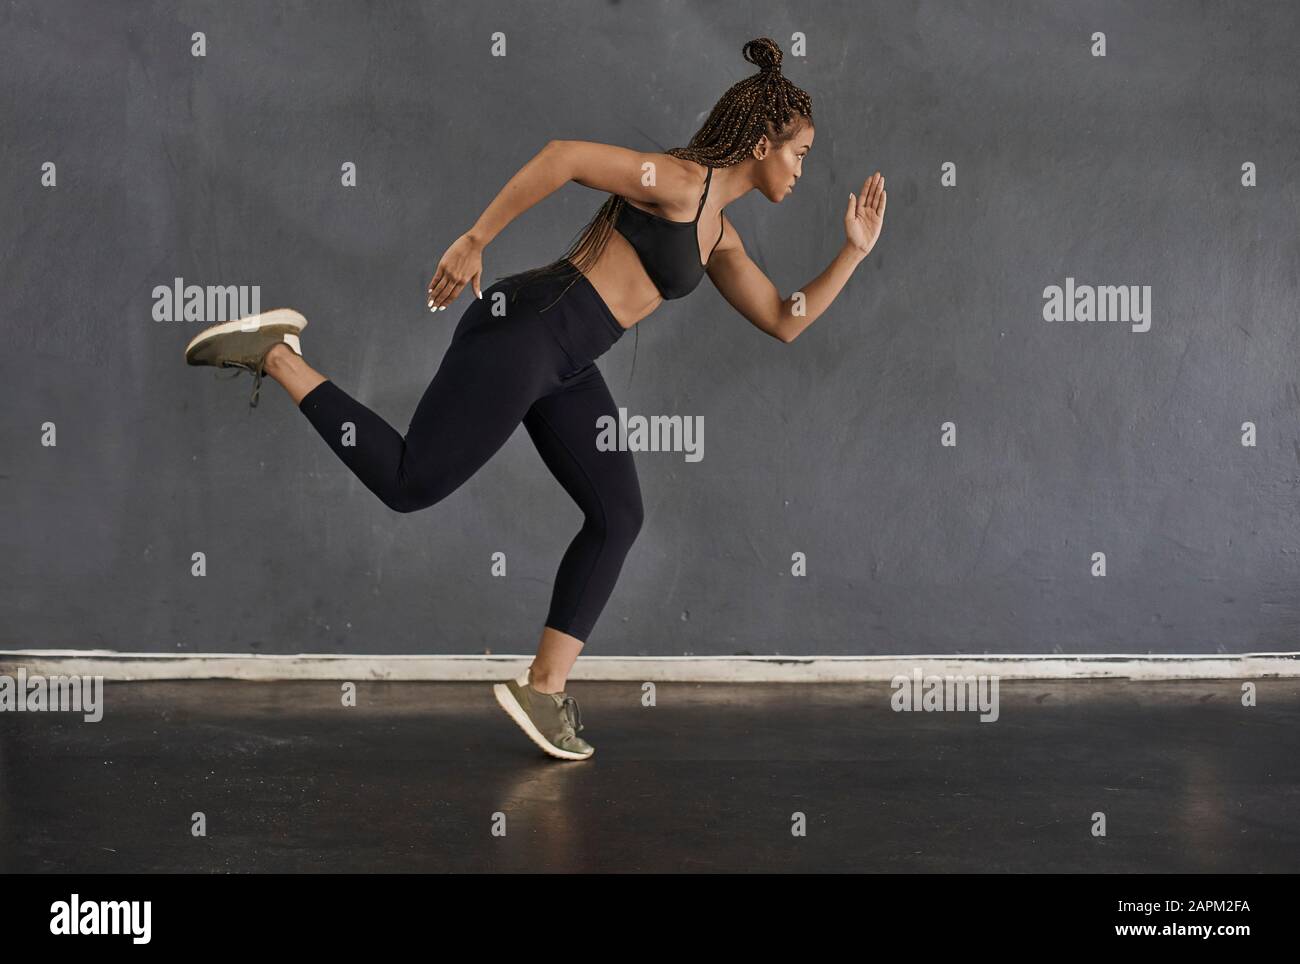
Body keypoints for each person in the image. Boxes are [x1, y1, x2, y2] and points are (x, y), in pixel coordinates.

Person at [183, 37, 887, 761]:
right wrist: (475, 239)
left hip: (570, 361)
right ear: (764, 142)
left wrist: (854, 252)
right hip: (525, 332)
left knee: (618, 515)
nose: (803, 168)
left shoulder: (720, 237)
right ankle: (273, 354)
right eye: (798, 152)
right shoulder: (677, 182)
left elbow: (783, 319)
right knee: (408, 483)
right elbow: (563, 157)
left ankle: (542, 692)